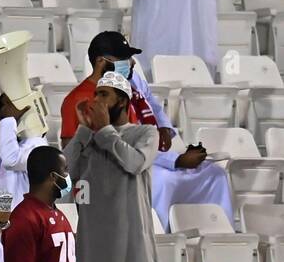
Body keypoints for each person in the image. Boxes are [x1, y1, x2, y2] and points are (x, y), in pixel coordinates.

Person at [61, 31, 235, 231]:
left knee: (215, 175)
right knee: (164, 182)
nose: (132, 63)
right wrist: (175, 161)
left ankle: (216, 238)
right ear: (102, 62)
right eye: (124, 59)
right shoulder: (78, 99)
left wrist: (167, 137)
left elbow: (143, 127)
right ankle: (158, 238)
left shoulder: (127, 87)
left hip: (145, 158)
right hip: (115, 171)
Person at [63, 71, 161, 262]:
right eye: (96, 95)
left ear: (121, 100)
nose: (97, 101)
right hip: (93, 241)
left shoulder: (145, 134)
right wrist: (83, 131)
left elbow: (133, 163)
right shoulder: (88, 139)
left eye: (104, 95)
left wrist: (105, 131)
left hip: (131, 239)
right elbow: (65, 177)